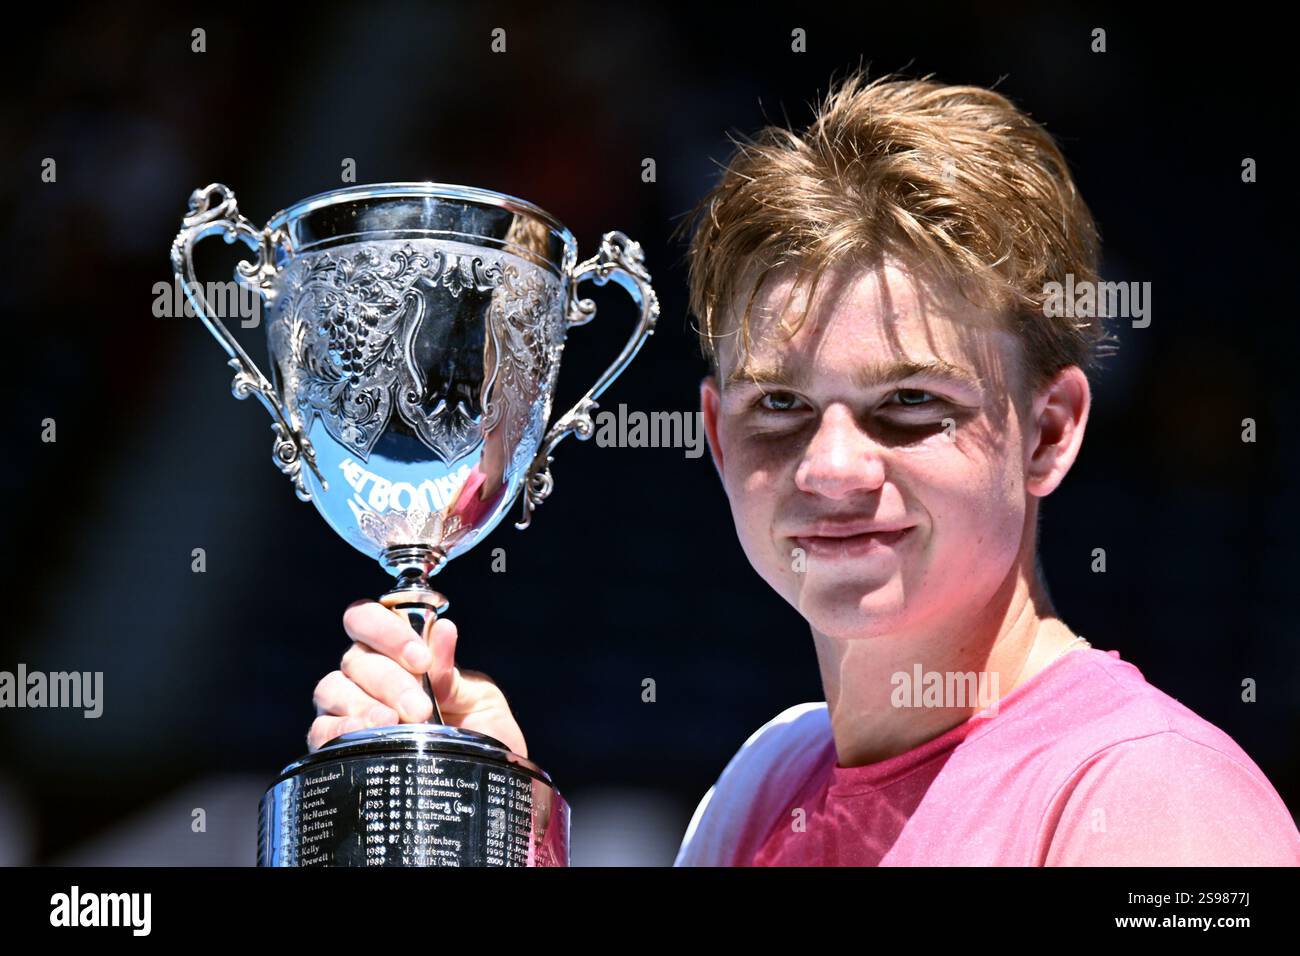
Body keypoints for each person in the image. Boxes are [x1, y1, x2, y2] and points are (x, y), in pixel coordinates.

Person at [307, 69, 1300, 866]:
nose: (830, 467)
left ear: (1049, 432)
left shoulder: (1150, 796)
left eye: (910, 404)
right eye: (779, 405)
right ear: (718, 435)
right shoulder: (764, 777)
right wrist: (504, 830)